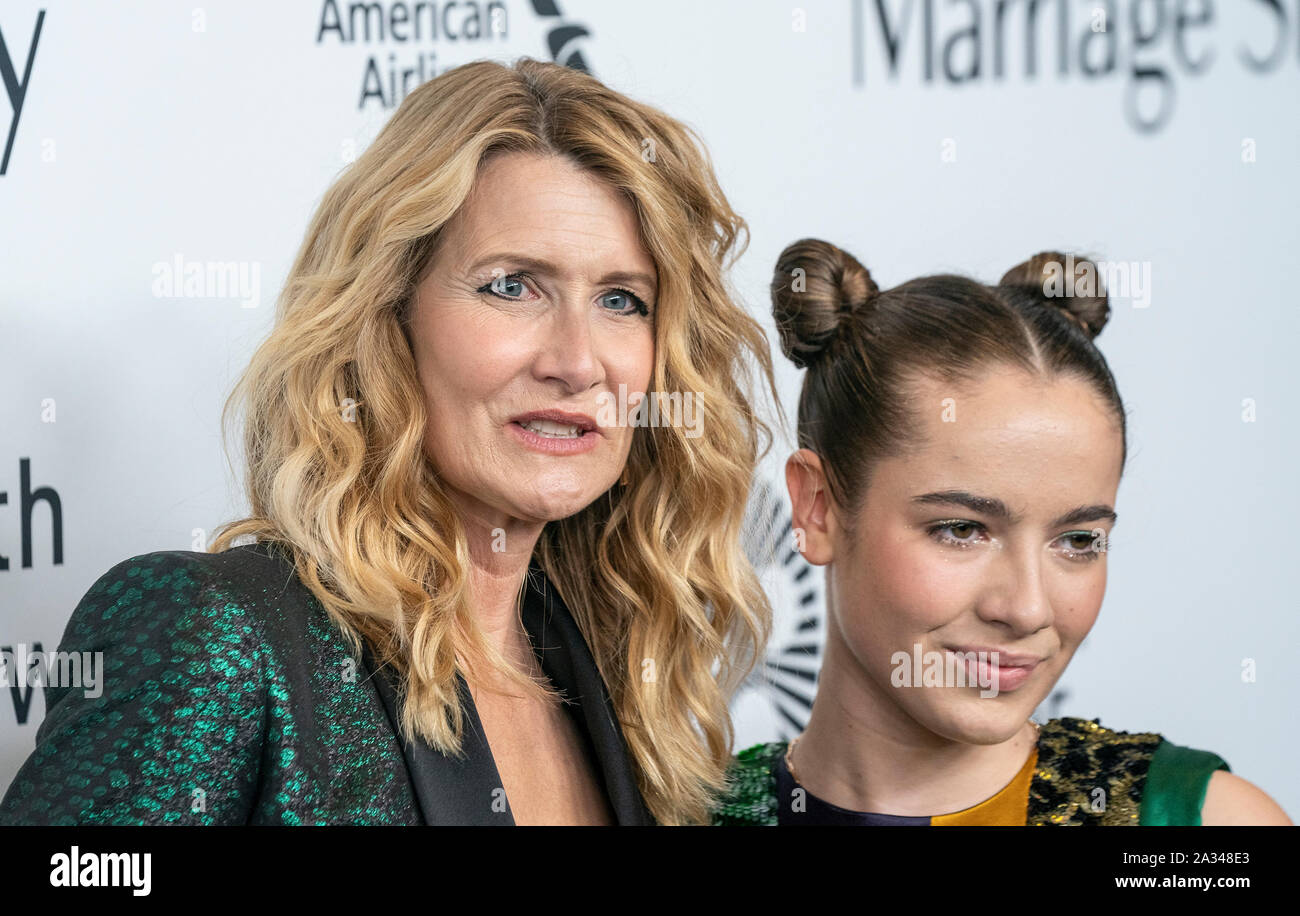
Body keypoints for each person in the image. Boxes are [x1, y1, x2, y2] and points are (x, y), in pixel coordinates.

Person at [0, 57, 775, 826]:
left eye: (621, 300)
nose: (577, 362)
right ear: (387, 315)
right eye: (512, 286)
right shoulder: (211, 637)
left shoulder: (622, 685)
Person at [714, 239, 1290, 826]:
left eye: (1078, 541)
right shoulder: (681, 814)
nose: (1028, 609)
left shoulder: (1199, 821)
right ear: (818, 509)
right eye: (962, 529)